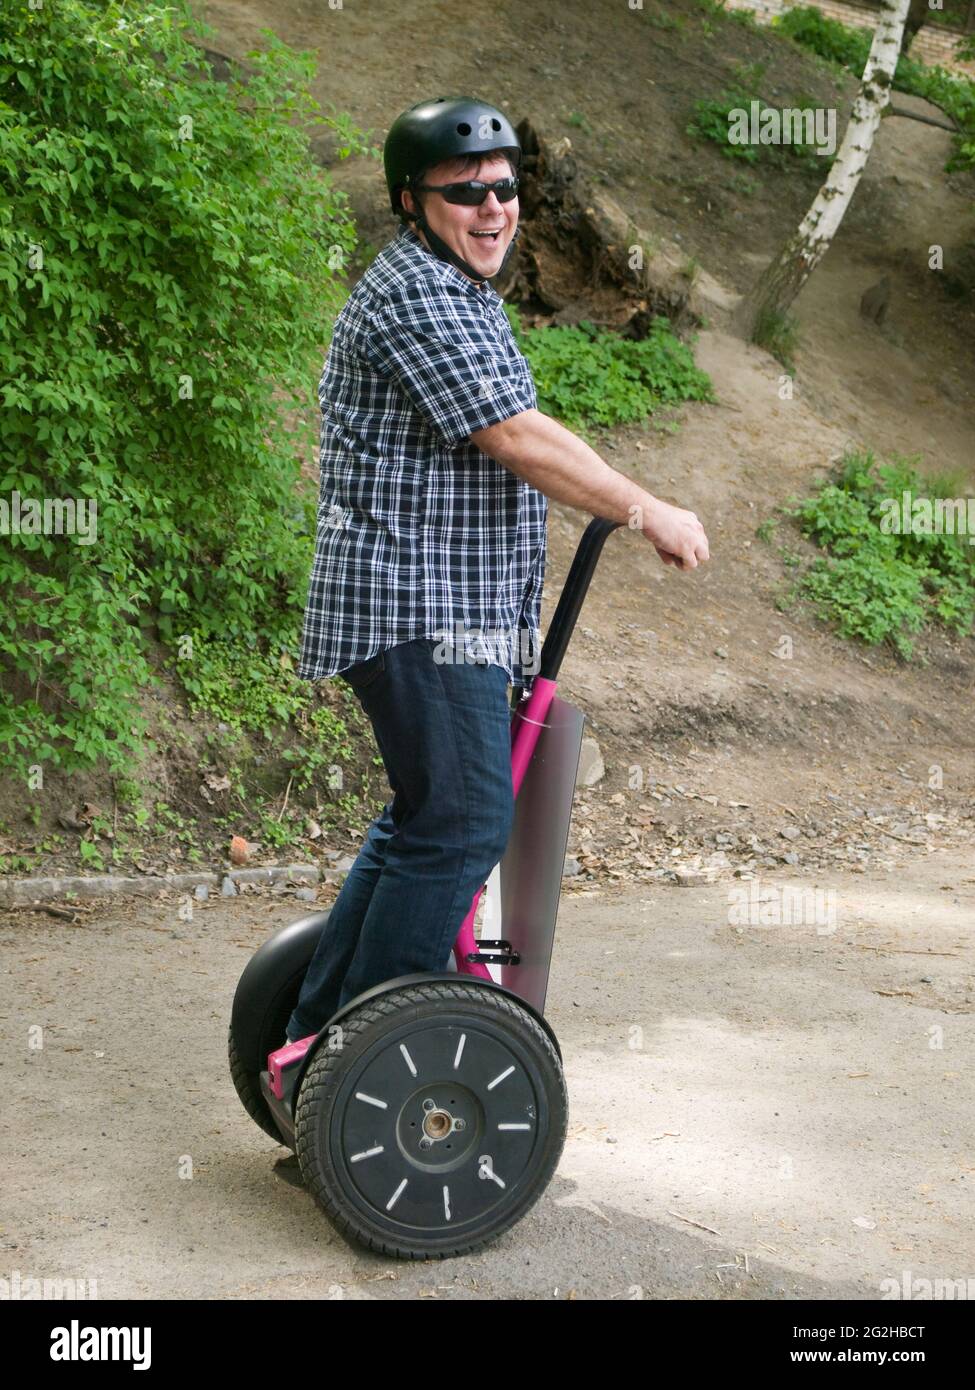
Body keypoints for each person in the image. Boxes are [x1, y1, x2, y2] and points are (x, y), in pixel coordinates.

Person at [285, 96, 709, 1043]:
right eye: (465, 190)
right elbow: (513, 434)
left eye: (505, 187)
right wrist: (639, 507)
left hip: (450, 610)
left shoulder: (457, 293)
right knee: (465, 826)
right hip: (414, 608)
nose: (493, 207)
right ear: (411, 201)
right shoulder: (417, 296)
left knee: (427, 822)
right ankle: (370, 1059)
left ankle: (316, 1044)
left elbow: (518, 424)